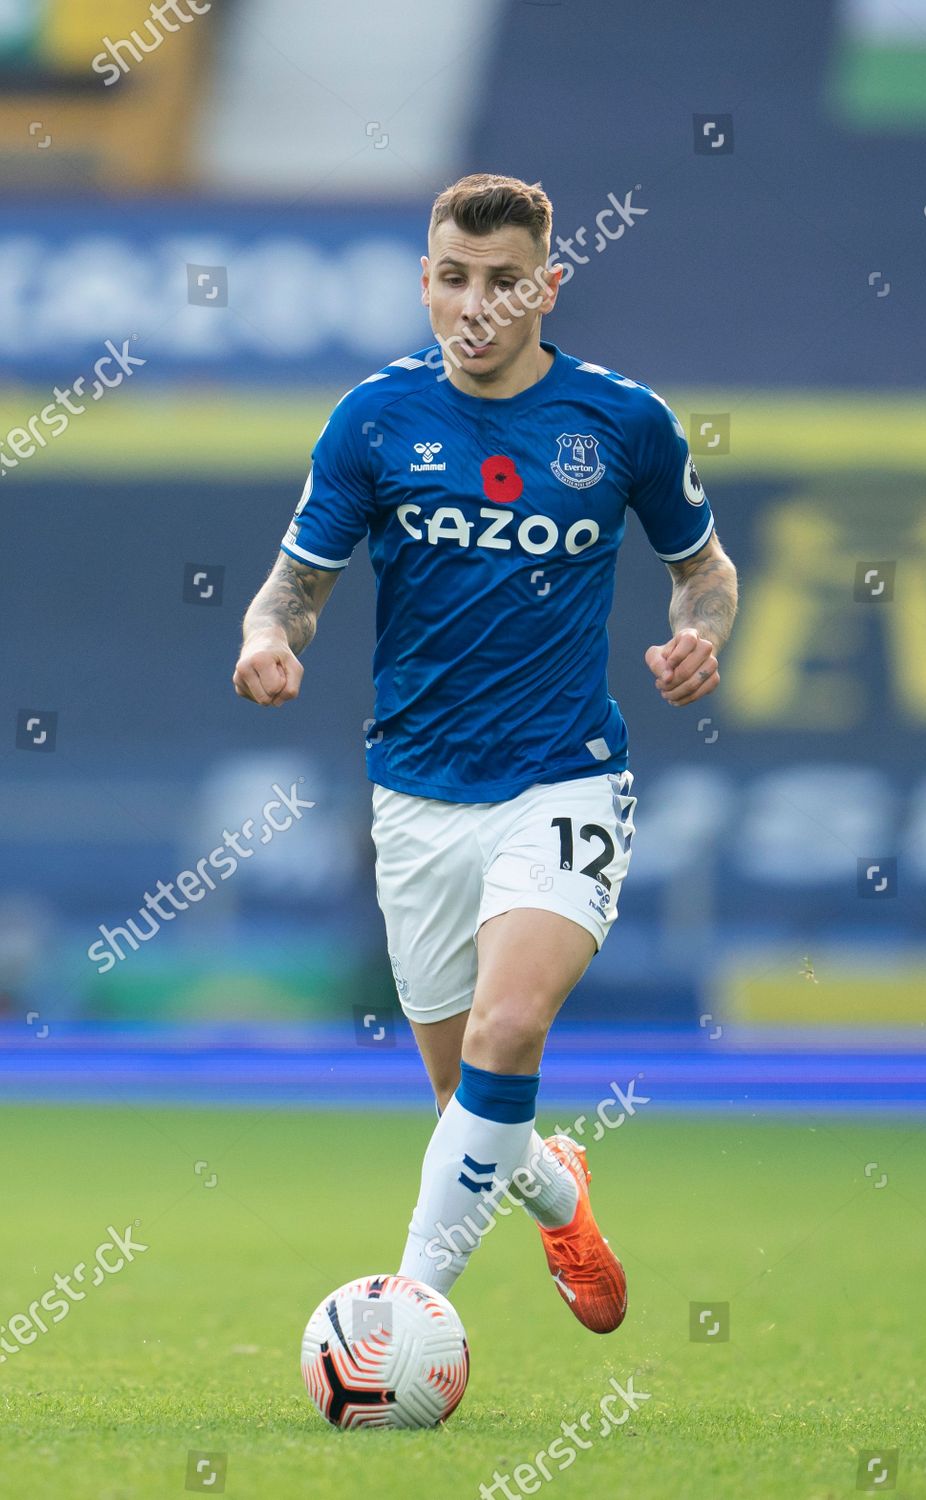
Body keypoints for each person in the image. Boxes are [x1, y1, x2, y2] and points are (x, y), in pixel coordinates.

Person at [233, 172, 738, 1334]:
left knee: (512, 1033)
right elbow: (298, 586)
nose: (475, 305)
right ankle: (558, 1188)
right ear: (423, 281)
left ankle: (403, 1316)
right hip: (415, 797)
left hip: (563, 779)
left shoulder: (622, 423)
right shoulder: (372, 420)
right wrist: (266, 634)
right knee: (472, 1097)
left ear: (547, 286)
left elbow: (702, 573)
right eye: (452, 279)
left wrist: (693, 638)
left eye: (504, 283)